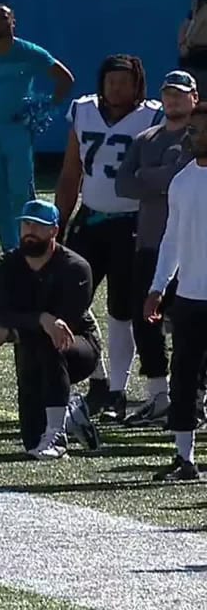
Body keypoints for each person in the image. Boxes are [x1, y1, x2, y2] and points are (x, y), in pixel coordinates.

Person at [53, 55, 164, 417]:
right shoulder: (83, 110)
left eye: (124, 81)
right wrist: (60, 220)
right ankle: (97, 377)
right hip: (91, 218)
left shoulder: (152, 115)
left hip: (132, 222)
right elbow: (71, 172)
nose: (116, 88)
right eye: (111, 81)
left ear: (138, 85)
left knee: (123, 309)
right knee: (69, 299)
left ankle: (117, 388)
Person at [0, 199, 102, 459]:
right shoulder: (4, 266)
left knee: (52, 340)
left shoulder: (75, 267)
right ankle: (69, 414)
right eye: (26, 224)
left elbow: (65, 322)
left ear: (54, 231)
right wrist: (42, 318)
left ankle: (57, 435)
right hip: (30, 349)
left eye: (38, 226)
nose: (30, 231)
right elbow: (1, 314)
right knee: (31, 438)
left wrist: (14, 332)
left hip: (77, 345)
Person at [115, 70, 199, 425]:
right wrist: (161, 178)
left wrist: (151, 178)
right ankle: (158, 394)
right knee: (143, 321)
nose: (173, 100)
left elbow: (176, 178)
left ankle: (195, 398)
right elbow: (122, 184)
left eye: (180, 94)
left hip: (192, 248)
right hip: (149, 241)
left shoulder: (198, 139)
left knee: (190, 326)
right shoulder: (146, 137)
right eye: (169, 94)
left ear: (194, 97)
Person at [0, 4, 74, 251]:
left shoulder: (28, 51)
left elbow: (65, 78)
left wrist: (45, 106)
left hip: (18, 130)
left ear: (13, 22)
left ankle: (30, 240)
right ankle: (9, 247)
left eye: (4, 18)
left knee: (21, 187)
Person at [142, 103, 207, 481]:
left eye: (197, 130)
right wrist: (158, 287)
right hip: (190, 300)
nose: (190, 135)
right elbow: (172, 240)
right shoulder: (182, 180)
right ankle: (185, 459)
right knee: (183, 376)